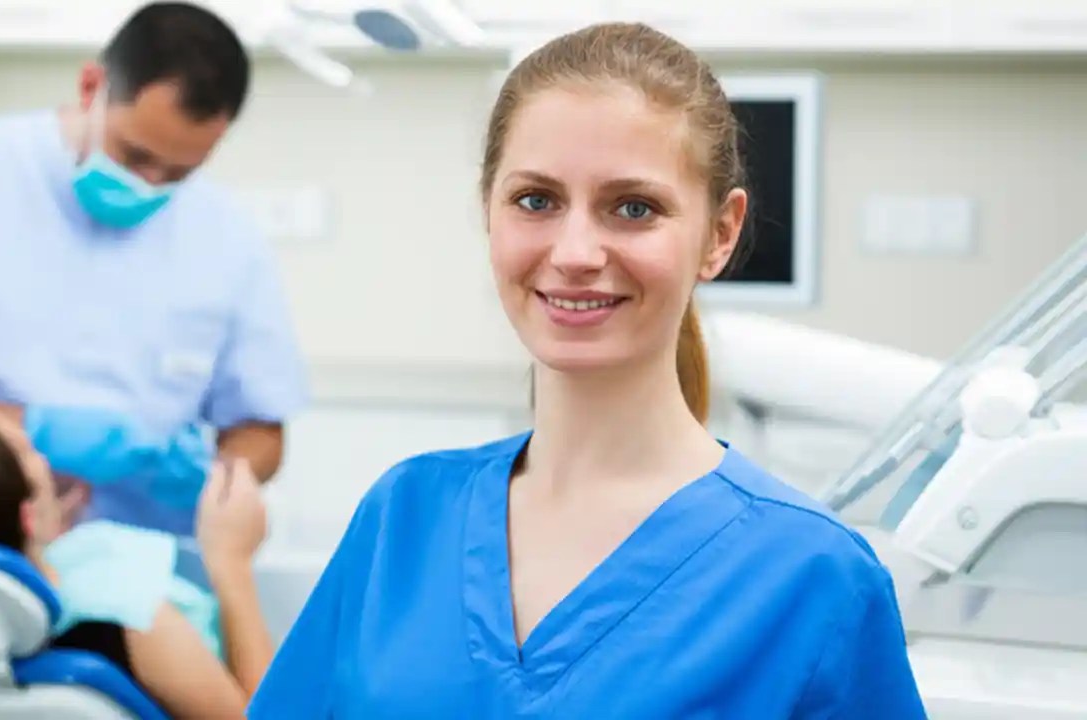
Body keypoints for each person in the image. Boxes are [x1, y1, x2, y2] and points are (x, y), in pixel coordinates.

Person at [247, 22, 928, 719]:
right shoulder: (406, 517)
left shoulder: (812, 581)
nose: (575, 251)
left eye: (634, 208)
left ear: (720, 234)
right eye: (536, 200)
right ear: (490, 209)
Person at [0, 3, 307, 718]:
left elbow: (260, 429)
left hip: (129, 613)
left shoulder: (229, 241)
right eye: (136, 155)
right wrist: (26, 434)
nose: (149, 185)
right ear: (89, 87)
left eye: (179, 173)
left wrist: (214, 480)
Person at [0, 403, 273, 718]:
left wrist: (46, 527)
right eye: (29, 451)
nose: (44, 458)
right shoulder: (130, 619)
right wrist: (231, 562)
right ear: (29, 517)